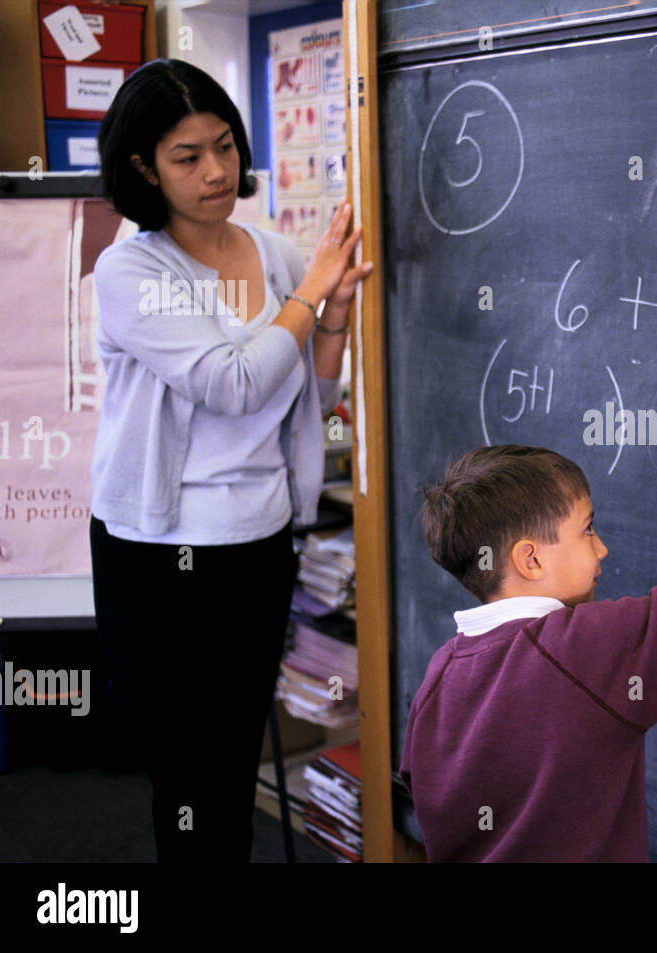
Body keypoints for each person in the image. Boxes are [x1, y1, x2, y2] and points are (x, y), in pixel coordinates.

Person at [88, 58, 372, 861]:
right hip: (158, 553)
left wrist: (332, 323)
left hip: (258, 538)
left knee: (234, 759)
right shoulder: (131, 268)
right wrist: (310, 296)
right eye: (187, 156)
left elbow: (305, 405)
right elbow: (234, 383)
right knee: (189, 779)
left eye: (223, 145)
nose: (215, 171)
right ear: (144, 167)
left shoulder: (279, 257)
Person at [400, 401, 657, 861]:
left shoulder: (439, 674)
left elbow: (418, 781)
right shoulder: (578, 652)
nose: (603, 548)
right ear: (530, 559)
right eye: (588, 530)